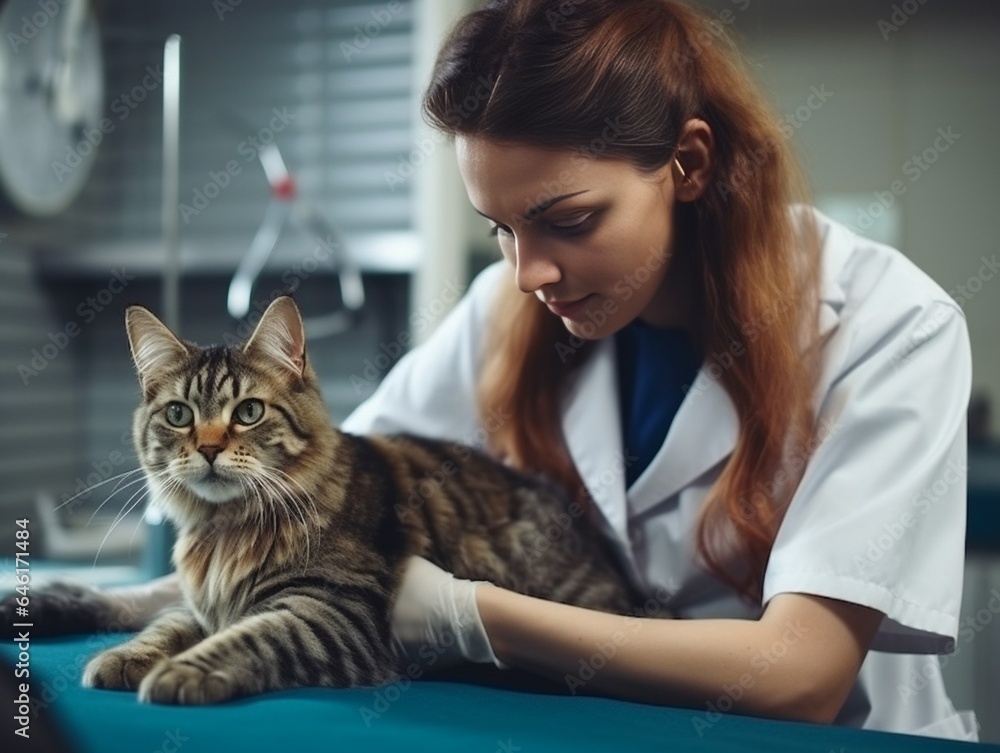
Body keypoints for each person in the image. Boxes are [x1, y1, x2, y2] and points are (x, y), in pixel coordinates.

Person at [109, 0, 976, 740]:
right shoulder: (509, 306)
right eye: (501, 227)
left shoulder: (894, 327)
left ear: (688, 164)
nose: (528, 273)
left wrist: (473, 616)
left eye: (568, 220)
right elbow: (326, 501)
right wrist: (162, 595)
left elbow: (801, 675)